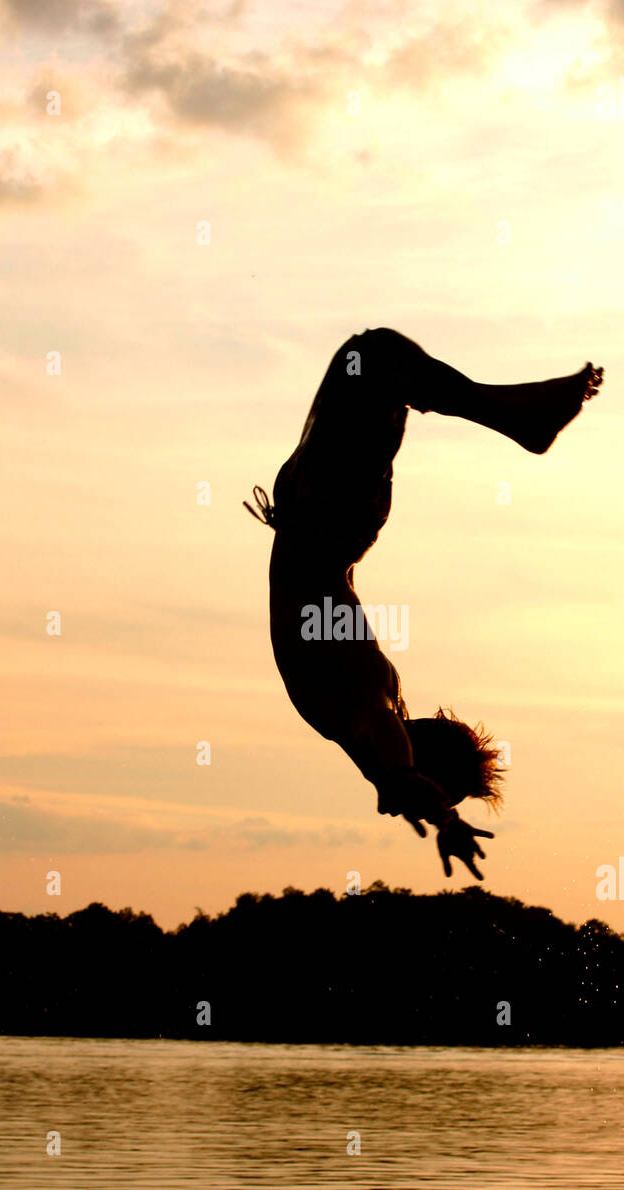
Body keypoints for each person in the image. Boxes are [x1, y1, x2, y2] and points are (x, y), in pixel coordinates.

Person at [245, 328, 603, 879]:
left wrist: (418, 792)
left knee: (378, 360)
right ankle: (519, 417)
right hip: (328, 522)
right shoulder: (371, 713)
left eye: (441, 730)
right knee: (377, 361)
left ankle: (518, 418)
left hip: (326, 518)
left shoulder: (365, 712)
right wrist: (427, 803)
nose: (437, 717)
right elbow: (388, 754)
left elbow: (385, 739)